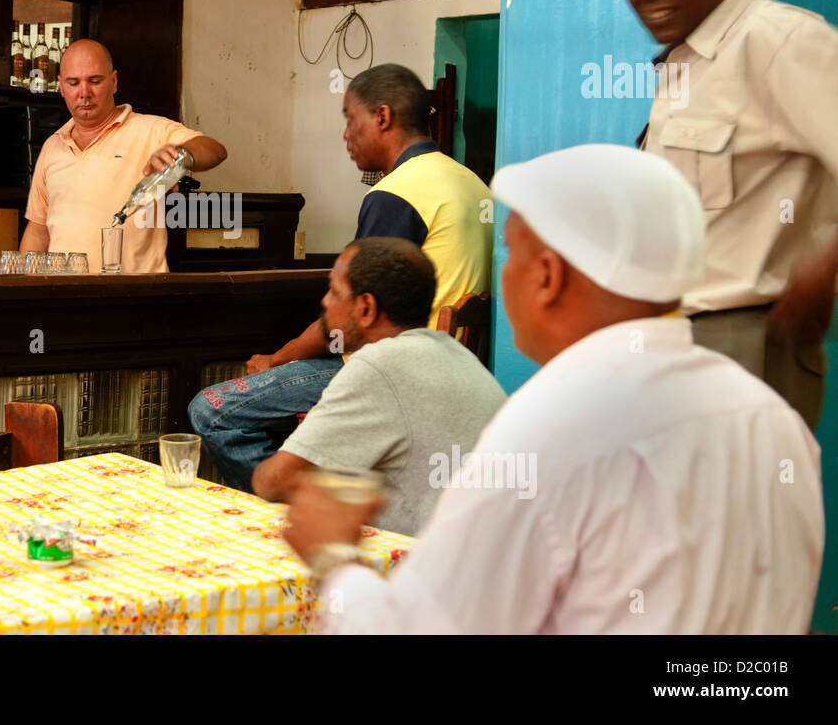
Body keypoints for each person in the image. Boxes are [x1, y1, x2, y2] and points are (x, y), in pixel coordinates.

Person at [284, 144, 824, 633]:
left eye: (511, 256)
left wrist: (334, 561)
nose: (505, 276)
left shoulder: (551, 427)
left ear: (547, 276)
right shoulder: (771, 418)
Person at [189, 64, 492, 493]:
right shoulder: (471, 183)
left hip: (390, 373)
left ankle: (295, 517)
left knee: (212, 411)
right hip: (451, 368)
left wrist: (277, 359)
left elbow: (352, 313)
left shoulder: (397, 193)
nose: (345, 134)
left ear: (382, 118)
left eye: (350, 118)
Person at [620, 0, 838, 431]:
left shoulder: (781, 41)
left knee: (740, 515)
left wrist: (825, 264)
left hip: (745, 345)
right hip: (671, 339)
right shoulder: (685, 61)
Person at [251, 237, 506, 536]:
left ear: (367, 308)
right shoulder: (456, 353)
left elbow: (273, 481)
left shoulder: (377, 364)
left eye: (334, 292)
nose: (324, 301)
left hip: (422, 566)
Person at [20, 39, 228, 273]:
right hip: (67, 300)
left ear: (114, 82)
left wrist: (183, 155)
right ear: (61, 86)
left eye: (95, 81)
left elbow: (215, 150)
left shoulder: (149, 131)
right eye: (73, 82)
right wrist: (24, 290)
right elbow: (39, 231)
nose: (84, 93)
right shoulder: (53, 146)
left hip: (135, 299)